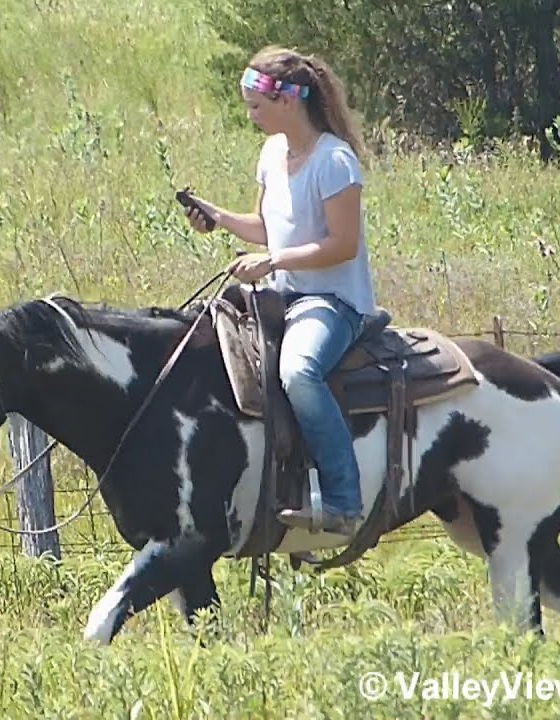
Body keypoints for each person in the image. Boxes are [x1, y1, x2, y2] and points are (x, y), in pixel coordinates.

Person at [182, 45, 378, 542]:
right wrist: (220, 218)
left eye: (255, 106)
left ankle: (342, 499)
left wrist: (273, 261)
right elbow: (268, 227)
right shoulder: (272, 154)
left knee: (299, 372)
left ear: (288, 101)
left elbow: (342, 244)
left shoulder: (335, 160)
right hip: (281, 295)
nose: (250, 116)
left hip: (331, 303)